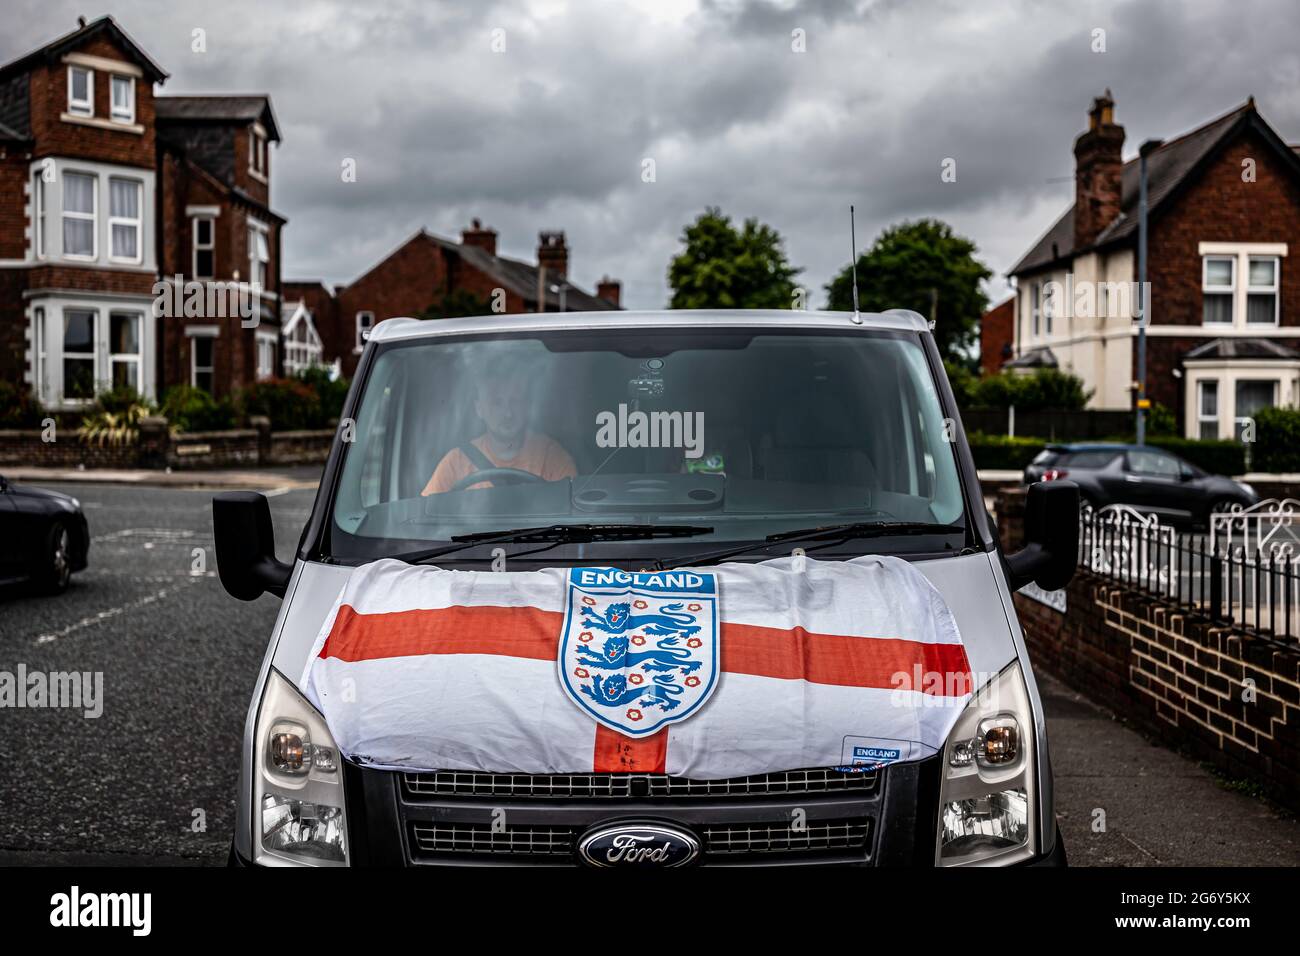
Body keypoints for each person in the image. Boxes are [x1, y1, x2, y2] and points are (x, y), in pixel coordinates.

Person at [421, 370, 576, 495]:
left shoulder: (550, 456)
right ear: (479, 409)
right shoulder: (456, 462)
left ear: (527, 406)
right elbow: (426, 517)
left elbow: (572, 516)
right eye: (497, 403)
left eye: (515, 401)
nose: (508, 413)